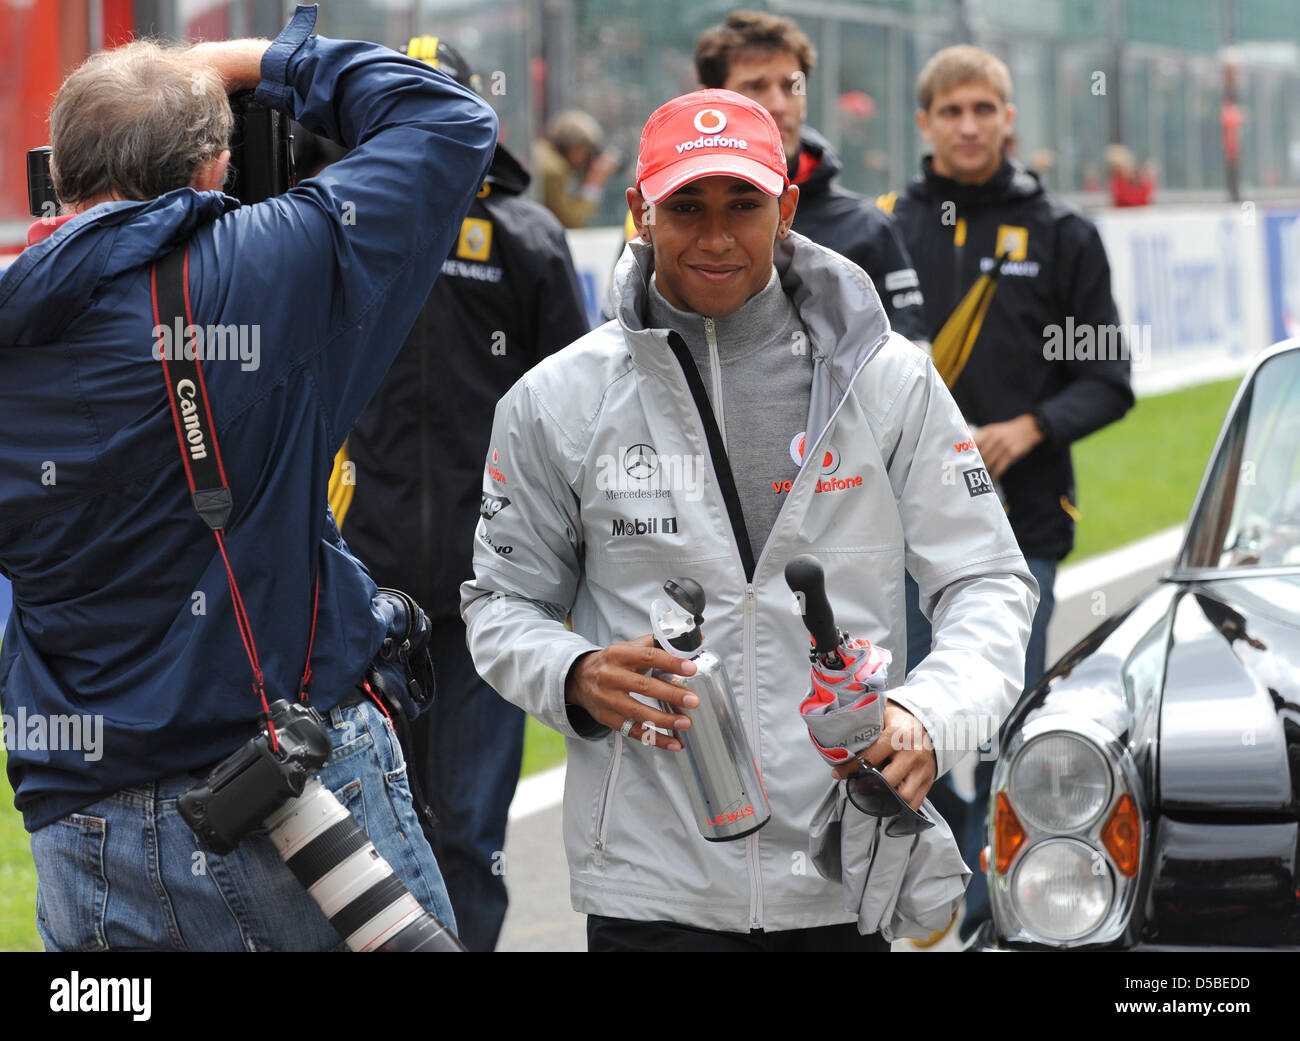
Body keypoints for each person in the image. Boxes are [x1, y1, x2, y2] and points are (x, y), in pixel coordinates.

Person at [461, 87, 1037, 951]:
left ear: (788, 205)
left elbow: (986, 579)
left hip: (844, 869)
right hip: (653, 889)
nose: (718, 235)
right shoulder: (556, 399)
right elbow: (500, 603)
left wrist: (929, 712)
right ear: (639, 211)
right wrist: (575, 672)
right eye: (686, 205)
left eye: (744, 204)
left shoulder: (885, 378)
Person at [0, 6, 497, 950]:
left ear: (57, 175)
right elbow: (449, 120)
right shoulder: (266, 263)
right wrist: (261, 59)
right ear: (216, 168)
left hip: (80, 829)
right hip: (292, 797)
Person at [331, 38, 589, 952]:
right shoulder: (337, 226)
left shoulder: (524, 236)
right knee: (361, 829)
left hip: (494, 597)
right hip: (360, 592)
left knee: (467, 830)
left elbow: (581, 409)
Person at [882, 44, 1134, 938]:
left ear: (1009, 117)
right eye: (951, 110)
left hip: (1020, 531)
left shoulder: (1063, 233)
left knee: (1004, 727)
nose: (969, 125)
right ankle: (948, 854)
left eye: (984, 108)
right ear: (925, 124)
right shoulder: (886, 230)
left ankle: (1001, 912)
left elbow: (1109, 379)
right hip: (894, 540)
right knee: (908, 727)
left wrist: (1028, 430)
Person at [694, 10, 929, 345]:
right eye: (756, 86)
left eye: (791, 87)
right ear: (707, 101)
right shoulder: (664, 218)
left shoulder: (867, 227)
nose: (778, 104)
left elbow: (907, 376)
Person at [534, 110, 621, 229]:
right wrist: (594, 182)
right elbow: (571, 222)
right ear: (577, 148)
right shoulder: (554, 171)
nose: (587, 160)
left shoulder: (547, 155)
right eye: (587, 152)